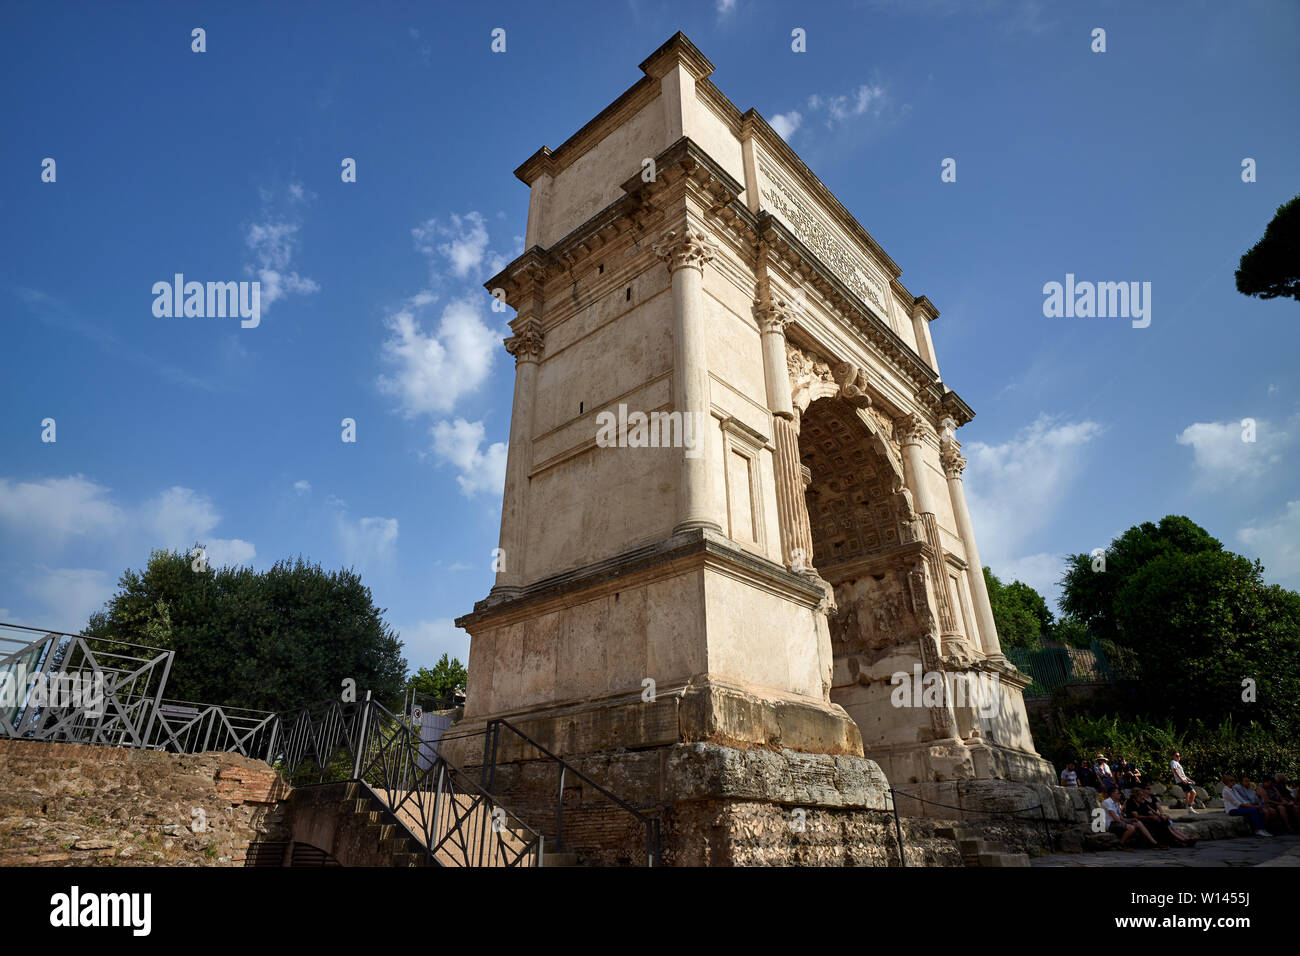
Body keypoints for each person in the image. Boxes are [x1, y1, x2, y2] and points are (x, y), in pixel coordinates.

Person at [1126, 787, 1193, 847]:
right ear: (1135, 796)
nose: (1142, 797)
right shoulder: (1131, 803)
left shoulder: (1142, 803)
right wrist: (1150, 817)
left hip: (1147, 819)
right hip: (1139, 820)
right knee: (1164, 824)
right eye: (1141, 796)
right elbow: (1137, 816)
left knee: (1164, 821)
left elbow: (1150, 811)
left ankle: (1185, 838)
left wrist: (1161, 815)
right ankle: (1182, 839)